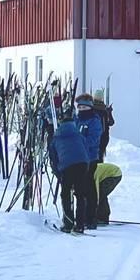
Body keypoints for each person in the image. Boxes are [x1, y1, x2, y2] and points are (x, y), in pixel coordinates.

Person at [49, 108, 94, 233]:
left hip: (67, 166)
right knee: (80, 194)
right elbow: (86, 149)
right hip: (82, 164)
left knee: (65, 194)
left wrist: (59, 173)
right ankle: (80, 225)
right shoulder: (78, 134)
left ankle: (68, 223)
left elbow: (53, 156)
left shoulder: (57, 136)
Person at [75, 95, 104, 228]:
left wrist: (80, 142)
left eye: (84, 107)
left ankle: (91, 217)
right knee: (79, 188)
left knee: (89, 187)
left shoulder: (94, 120)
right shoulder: (77, 119)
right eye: (79, 107)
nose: (81, 109)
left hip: (90, 158)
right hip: (77, 158)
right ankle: (81, 216)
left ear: (90, 107)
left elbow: (94, 139)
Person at [92, 91, 114, 159]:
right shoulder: (104, 110)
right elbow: (111, 122)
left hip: (93, 136)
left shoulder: (91, 109)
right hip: (104, 137)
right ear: (102, 98)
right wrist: (109, 112)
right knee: (100, 156)